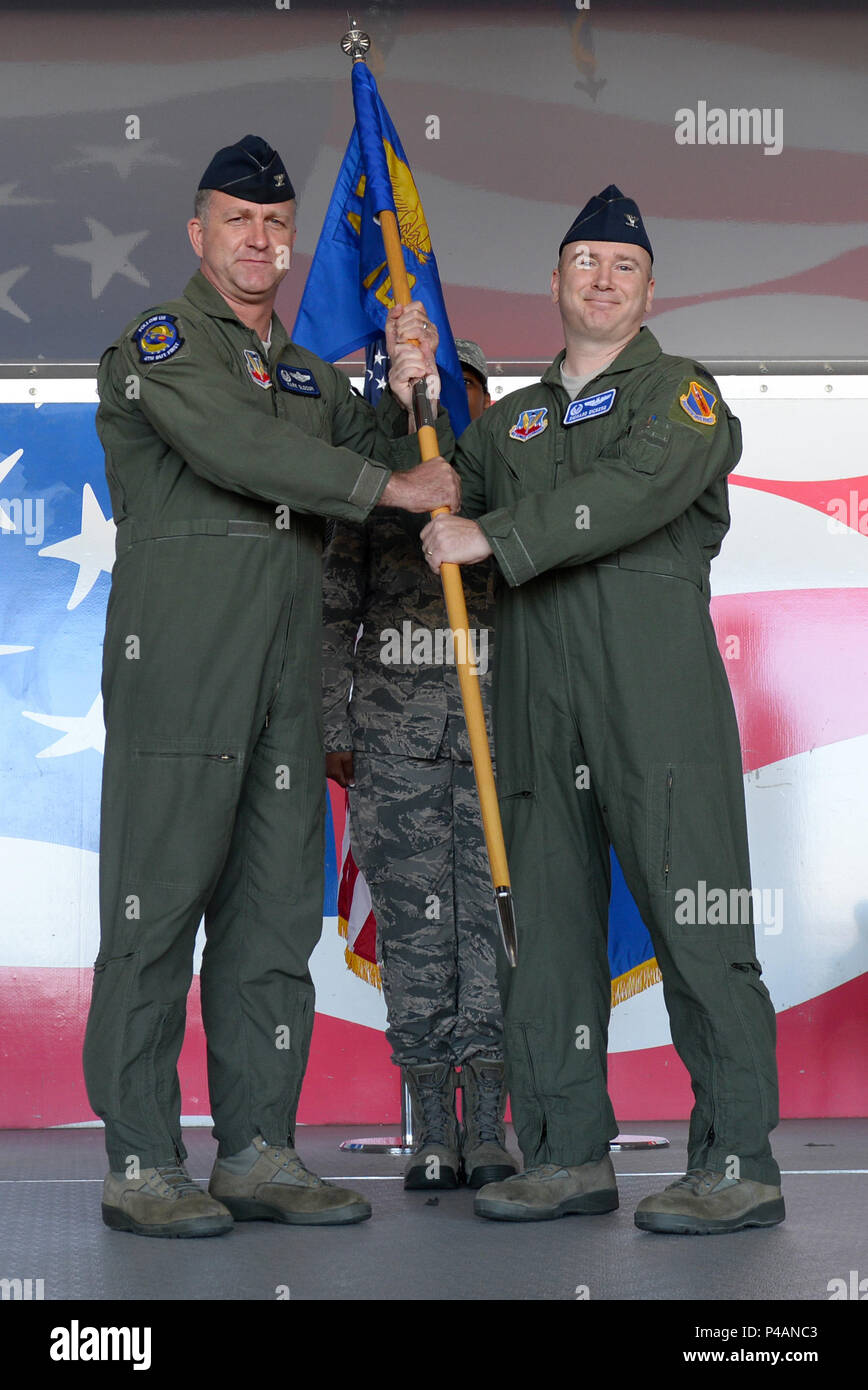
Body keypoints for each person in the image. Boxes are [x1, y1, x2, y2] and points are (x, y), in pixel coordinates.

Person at [82, 134, 459, 1238]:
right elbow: (243, 450)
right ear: (198, 234)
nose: (260, 239)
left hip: (288, 685)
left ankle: (257, 1150)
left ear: (293, 242)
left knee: (271, 922)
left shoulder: (303, 373)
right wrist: (386, 476)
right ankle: (144, 1160)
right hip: (181, 675)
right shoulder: (157, 347)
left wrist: (408, 384)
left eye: (276, 224)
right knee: (154, 914)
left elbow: (397, 453)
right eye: (237, 220)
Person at [420, 184, 784, 1234]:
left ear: (648, 288)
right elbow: (444, 480)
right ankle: (566, 1153)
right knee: (550, 937)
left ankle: (736, 1160)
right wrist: (412, 385)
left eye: (622, 266)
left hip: (656, 705)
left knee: (699, 922)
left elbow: (632, 489)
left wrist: (496, 537)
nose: (602, 278)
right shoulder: (515, 423)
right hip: (538, 707)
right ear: (555, 282)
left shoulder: (681, 394)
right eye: (584, 260)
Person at [322, 339, 517, 1191]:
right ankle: (433, 1132)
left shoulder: (515, 481)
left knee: (495, 941)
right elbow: (332, 610)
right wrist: (335, 725)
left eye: (464, 391)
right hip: (396, 747)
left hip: (499, 746)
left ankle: (488, 1133)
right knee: (416, 944)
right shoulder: (375, 484)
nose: (447, 405)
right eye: (433, 392)